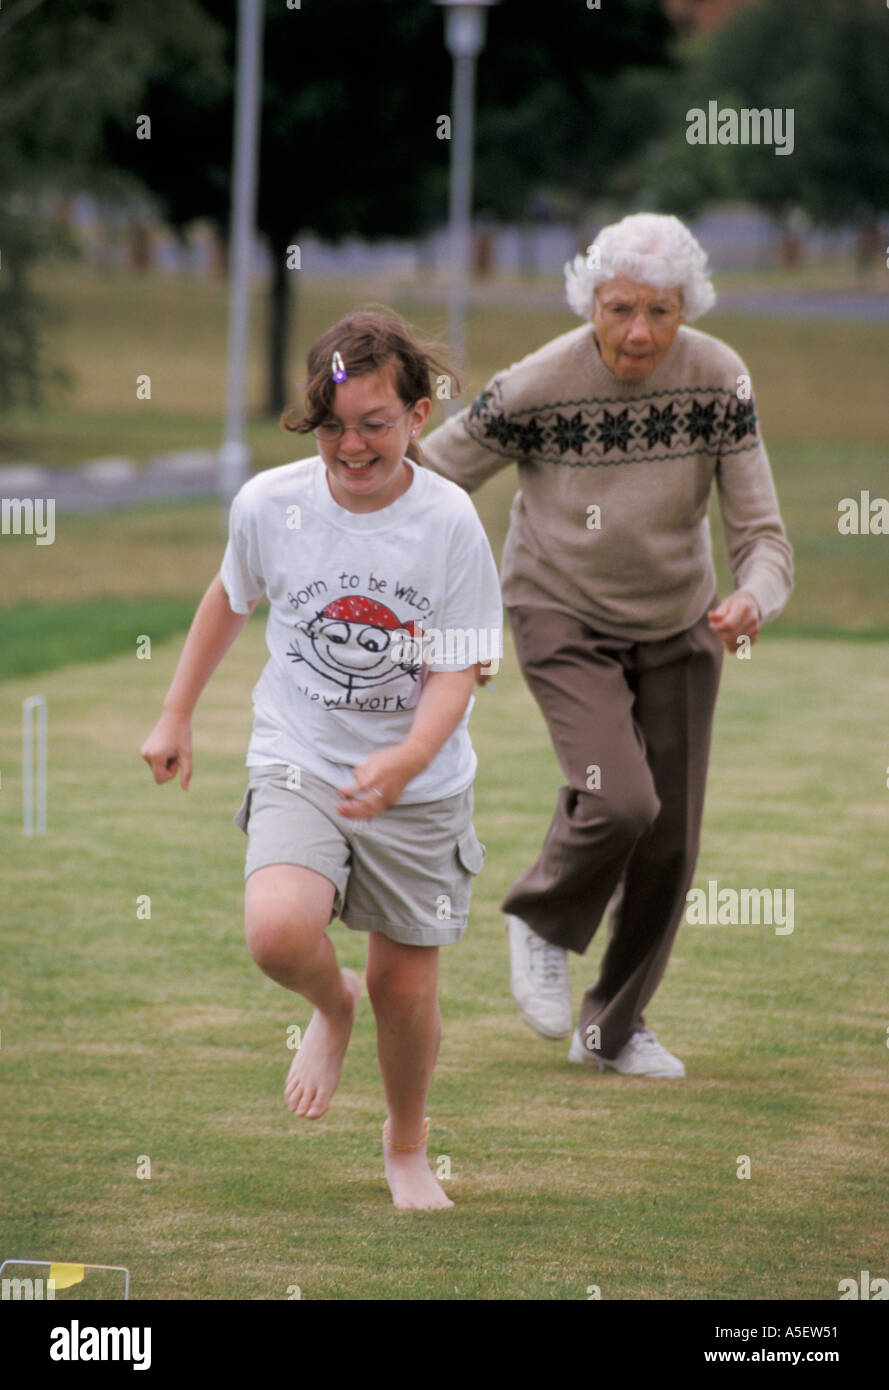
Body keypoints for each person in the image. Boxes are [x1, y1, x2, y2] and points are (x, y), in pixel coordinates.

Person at [140, 310, 502, 1209]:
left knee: (404, 985)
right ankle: (329, 1004)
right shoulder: (270, 504)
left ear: (419, 415)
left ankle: (407, 1145)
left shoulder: (448, 521)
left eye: (374, 423)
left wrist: (410, 757)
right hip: (300, 755)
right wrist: (175, 713)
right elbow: (229, 598)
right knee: (275, 931)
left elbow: (458, 668)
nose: (351, 445)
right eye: (334, 424)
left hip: (420, 786)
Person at [421, 213, 793, 1079]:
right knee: (622, 800)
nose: (639, 332)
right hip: (560, 609)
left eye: (661, 312)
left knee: (671, 843)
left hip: (681, 620)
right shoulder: (535, 384)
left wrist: (753, 598)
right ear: (591, 300)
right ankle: (541, 919)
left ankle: (613, 1031)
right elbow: (433, 474)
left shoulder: (718, 378)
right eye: (621, 308)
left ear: (685, 309)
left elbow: (763, 533)